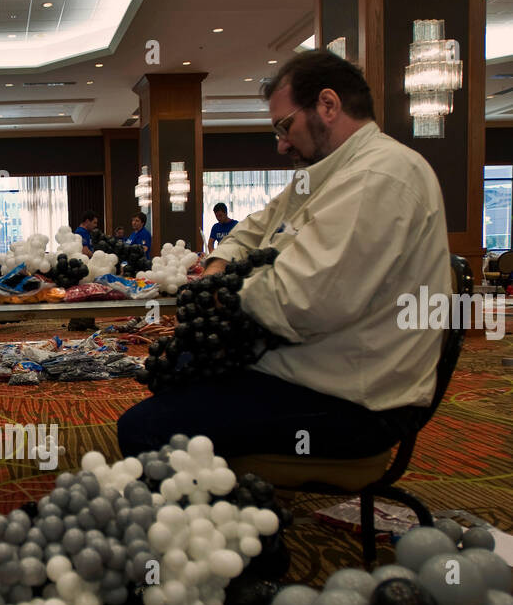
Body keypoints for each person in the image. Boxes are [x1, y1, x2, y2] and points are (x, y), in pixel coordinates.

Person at [118, 50, 451, 460]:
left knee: (145, 430)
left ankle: (229, 521)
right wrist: (220, 265)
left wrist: (218, 291)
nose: (280, 144)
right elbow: (251, 229)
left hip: (354, 401)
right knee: (178, 375)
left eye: (285, 126)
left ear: (328, 105)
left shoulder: (379, 177)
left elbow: (300, 301)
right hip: (308, 371)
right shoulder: (326, 175)